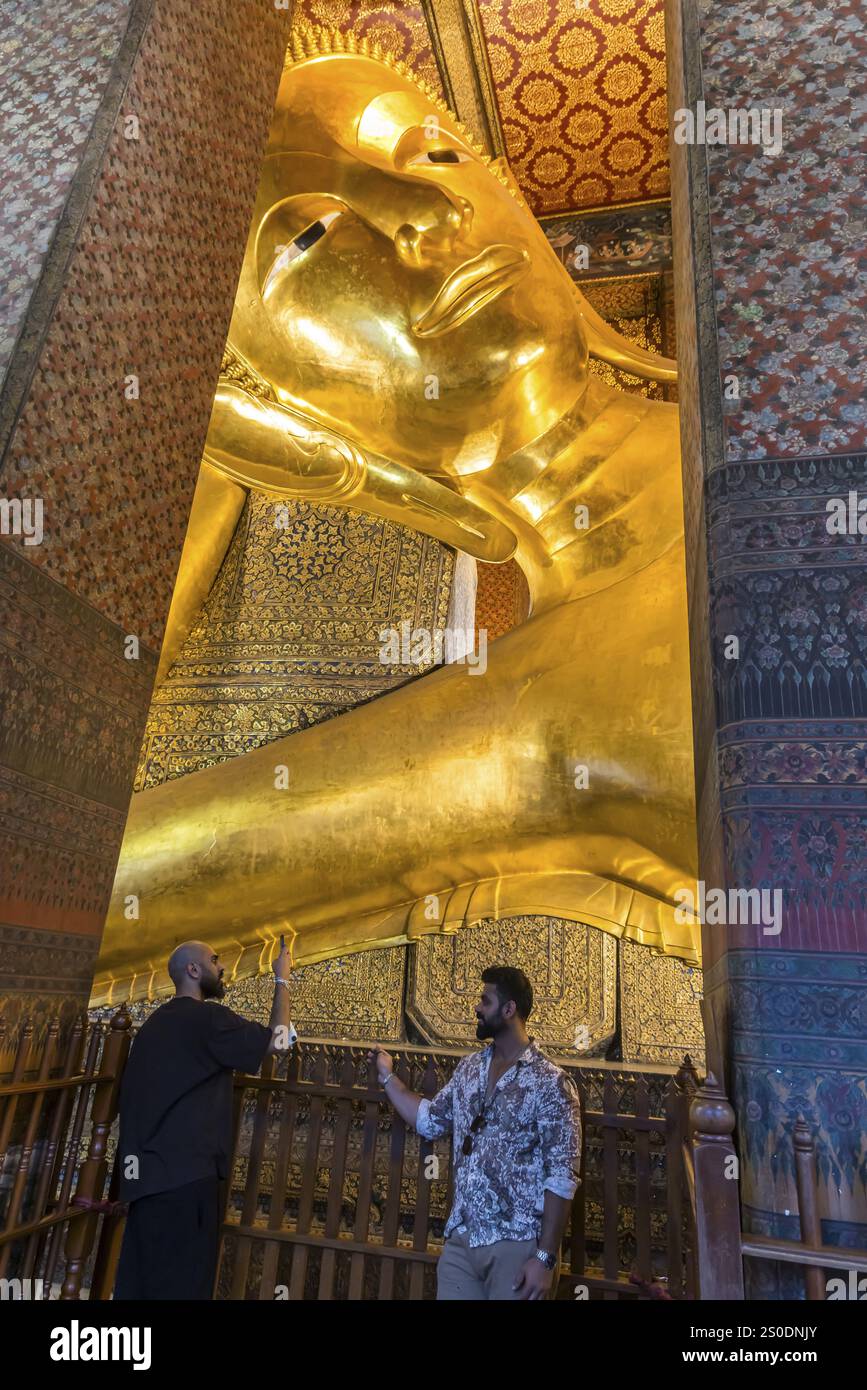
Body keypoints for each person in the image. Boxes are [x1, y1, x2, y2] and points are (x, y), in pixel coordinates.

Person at [369, 965, 581, 1301]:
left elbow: (562, 1177)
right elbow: (429, 1120)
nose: (477, 1008)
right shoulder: (470, 1068)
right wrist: (386, 1078)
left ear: (509, 1009)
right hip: (462, 1242)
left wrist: (544, 1258)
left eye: (485, 1001)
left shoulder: (551, 1083)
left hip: (517, 1245)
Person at [113, 939, 295, 1300]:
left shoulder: (153, 1025)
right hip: (186, 1181)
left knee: (141, 1284)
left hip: (146, 1181)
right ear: (193, 971)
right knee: (182, 1285)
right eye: (215, 960)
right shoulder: (207, 1019)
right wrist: (282, 978)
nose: (223, 966)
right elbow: (279, 1041)